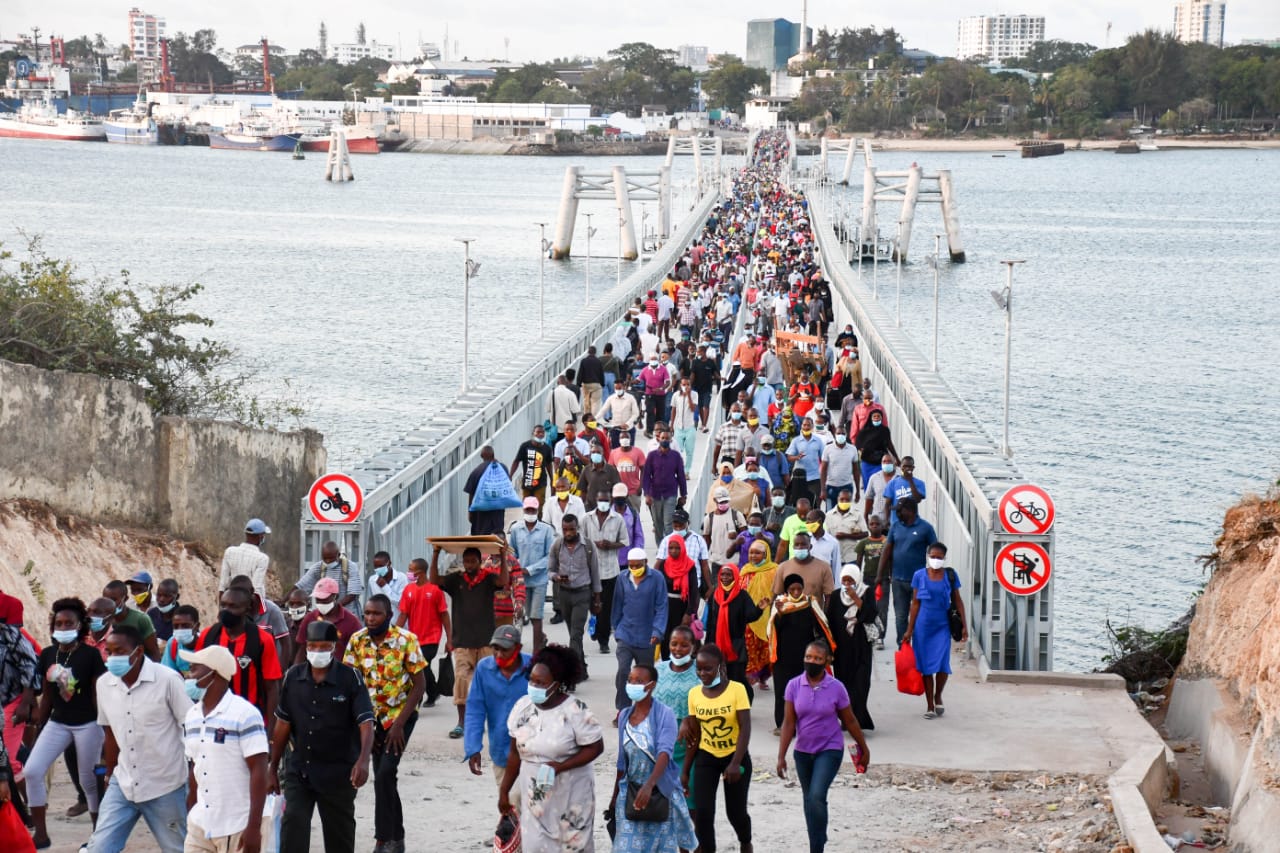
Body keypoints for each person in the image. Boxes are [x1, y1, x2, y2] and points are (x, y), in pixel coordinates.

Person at [269, 620, 375, 853]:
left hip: (339, 774)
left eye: (324, 647)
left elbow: (366, 722)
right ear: (306, 647)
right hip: (299, 770)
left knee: (340, 838)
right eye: (313, 646)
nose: (318, 652)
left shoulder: (351, 679)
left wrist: (363, 760)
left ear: (334, 648)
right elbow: (283, 725)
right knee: (293, 830)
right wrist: (272, 767)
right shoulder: (293, 677)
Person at [86, 624, 191, 853]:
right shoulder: (105, 684)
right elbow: (110, 732)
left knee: (178, 848)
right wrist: (110, 771)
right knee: (99, 848)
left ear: (139, 651)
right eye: (110, 652)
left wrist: (194, 778)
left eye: (120, 652)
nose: (113, 657)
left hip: (165, 784)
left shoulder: (168, 680)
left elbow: (190, 727)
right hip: (123, 782)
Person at [498, 644, 604, 853]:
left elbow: (595, 747)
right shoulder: (522, 707)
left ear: (557, 685)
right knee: (536, 845)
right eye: (532, 680)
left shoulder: (575, 710)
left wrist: (560, 766)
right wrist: (504, 790)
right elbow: (514, 754)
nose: (534, 686)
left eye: (541, 682)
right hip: (536, 794)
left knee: (571, 846)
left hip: (571, 794)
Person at [344, 594, 426, 853]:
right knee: (385, 777)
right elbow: (350, 682)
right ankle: (396, 837)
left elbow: (419, 685)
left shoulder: (406, 640)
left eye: (376, 614)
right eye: (367, 613)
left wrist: (399, 725)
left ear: (388, 615)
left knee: (384, 773)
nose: (370, 618)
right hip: (371, 719)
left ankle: (383, 839)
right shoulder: (357, 640)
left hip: (400, 716)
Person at [776, 639, 871, 853]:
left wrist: (863, 747)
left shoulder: (836, 688)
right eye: (809, 657)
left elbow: (850, 720)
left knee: (817, 796)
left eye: (818, 658)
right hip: (802, 752)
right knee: (810, 801)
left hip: (829, 749)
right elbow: (789, 722)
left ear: (827, 661)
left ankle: (816, 847)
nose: (812, 661)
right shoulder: (793, 685)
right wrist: (781, 756)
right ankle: (818, 837)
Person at [26, 598, 106, 848]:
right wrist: (39, 728)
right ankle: (40, 834)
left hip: (88, 724)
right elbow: (48, 695)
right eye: (58, 623)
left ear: (80, 625)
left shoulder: (90, 654)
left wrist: (105, 729)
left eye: (68, 623)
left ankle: (98, 835)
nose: (63, 627)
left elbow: (97, 693)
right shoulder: (49, 654)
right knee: (32, 771)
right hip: (58, 723)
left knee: (89, 780)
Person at [180, 645, 269, 853]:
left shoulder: (244, 714)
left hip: (236, 824)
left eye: (194, 670)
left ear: (215, 673)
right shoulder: (192, 715)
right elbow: (195, 764)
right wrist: (191, 807)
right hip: (200, 822)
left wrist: (253, 828)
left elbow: (259, 769)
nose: (189, 676)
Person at [608, 664, 698, 851]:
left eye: (639, 681)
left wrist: (649, 785)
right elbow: (621, 761)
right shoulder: (625, 715)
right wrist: (615, 796)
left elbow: (665, 752)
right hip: (630, 792)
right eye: (630, 680)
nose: (633, 684)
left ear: (651, 685)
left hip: (659, 792)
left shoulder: (665, 714)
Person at [430, 544, 508, 739]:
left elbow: (503, 580)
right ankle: (462, 722)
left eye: (473, 561)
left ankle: (490, 721)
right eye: (466, 561)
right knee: (462, 681)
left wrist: (503, 556)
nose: (469, 565)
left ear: (479, 562)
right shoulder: (456, 580)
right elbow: (434, 579)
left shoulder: (489, 578)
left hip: (486, 640)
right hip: (462, 641)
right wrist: (436, 553)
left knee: (488, 682)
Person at [681, 644, 753, 853]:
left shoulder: (737, 689)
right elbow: (695, 736)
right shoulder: (694, 694)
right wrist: (685, 770)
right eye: (699, 669)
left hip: (735, 757)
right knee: (703, 814)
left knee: (736, 813)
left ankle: (745, 841)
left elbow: (745, 728)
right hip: (707, 757)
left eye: (708, 669)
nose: (702, 673)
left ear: (721, 667)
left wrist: (735, 763)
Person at [465, 626, 531, 809]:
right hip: (502, 752)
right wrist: (473, 748)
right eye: (496, 648)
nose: (499, 654)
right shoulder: (484, 669)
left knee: (523, 802)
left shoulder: (533, 668)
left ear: (518, 647)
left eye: (505, 649)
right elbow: (475, 709)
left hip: (533, 752)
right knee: (511, 804)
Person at [197, 585, 283, 723]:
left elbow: (272, 688)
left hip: (248, 720)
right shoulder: (208, 635)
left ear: (247, 609)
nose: (226, 611)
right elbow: (199, 675)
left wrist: (270, 731)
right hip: (213, 718)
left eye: (233, 606)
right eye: (223, 605)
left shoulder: (262, 640)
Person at [904, 542, 968, 719]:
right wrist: (909, 630)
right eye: (933, 556)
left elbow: (958, 601)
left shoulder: (950, 575)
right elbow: (915, 604)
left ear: (944, 558)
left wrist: (964, 625)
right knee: (925, 667)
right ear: (927, 556)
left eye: (939, 557)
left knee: (942, 665)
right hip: (923, 626)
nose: (936, 560)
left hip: (942, 625)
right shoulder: (919, 575)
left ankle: (938, 694)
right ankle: (929, 705)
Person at [767, 574, 835, 730]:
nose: (796, 592)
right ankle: (783, 724)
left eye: (799, 589)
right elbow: (771, 631)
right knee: (783, 691)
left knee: (805, 692)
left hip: (806, 657)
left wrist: (828, 651)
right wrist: (779, 614)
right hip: (783, 657)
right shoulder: (780, 604)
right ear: (786, 589)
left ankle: (804, 723)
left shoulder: (810, 603)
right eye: (792, 589)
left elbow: (822, 626)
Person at [610, 549, 667, 712]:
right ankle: (623, 709)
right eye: (631, 566)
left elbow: (662, 607)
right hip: (625, 634)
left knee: (644, 676)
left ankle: (643, 708)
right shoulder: (622, 578)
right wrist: (616, 628)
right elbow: (617, 603)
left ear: (645, 563)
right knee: (623, 672)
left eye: (638, 565)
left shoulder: (657, 578)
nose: (634, 569)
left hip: (647, 637)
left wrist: (657, 632)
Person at [877, 497, 938, 646]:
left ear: (910, 511)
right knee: (900, 616)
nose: (897, 514)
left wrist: (934, 573)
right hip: (898, 580)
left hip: (918, 581)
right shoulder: (896, 527)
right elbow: (887, 551)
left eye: (899, 511)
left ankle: (919, 643)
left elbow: (935, 549)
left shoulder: (925, 528)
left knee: (919, 614)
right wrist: (880, 574)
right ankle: (902, 645)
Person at [824, 566, 879, 730]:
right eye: (844, 581)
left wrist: (856, 598)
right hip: (842, 649)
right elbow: (830, 621)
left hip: (861, 646)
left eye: (851, 581)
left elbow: (870, 614)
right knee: (844, 685)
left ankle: (859, 719)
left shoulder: (866, 592)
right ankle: (847, 719)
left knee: (861, 684)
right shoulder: (835, 596)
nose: (847, 584)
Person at [395, 557, 451, 707]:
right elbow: (403, 614)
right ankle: (432, 692)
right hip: (414, 638)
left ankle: (418, 698)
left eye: (411, 570)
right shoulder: (409, 590)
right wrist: (394, 634)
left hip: (432, 638)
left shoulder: (435, 590)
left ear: (420, 572)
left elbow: (444, 615)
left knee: (420, 666)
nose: (409, 572)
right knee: (421, 667)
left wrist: (449, 639)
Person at [703, 564, 763, 696]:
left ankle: (744, 705)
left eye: (728, 575)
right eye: (722, 574)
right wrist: (707, 646)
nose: (725, 577)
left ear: (735, 576)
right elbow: (711, 621)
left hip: (736, 645)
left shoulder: (742, 596)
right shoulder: (715, 595)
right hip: (716, 644)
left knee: (737, 679)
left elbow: (750, 616)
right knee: (718, 680)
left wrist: (759, 608)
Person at [583, 489, 628, 654]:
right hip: (590, 570)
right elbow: (580, 540)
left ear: (610, 502)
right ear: (596, 499)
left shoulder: (618, 519)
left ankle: (604, 640)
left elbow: (624, 541)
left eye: (606, 501)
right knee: (592, 603)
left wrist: (610, 544)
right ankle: (595, 626)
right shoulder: (586, 519)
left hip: (610, 570)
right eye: (600, 499)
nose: (603, 503)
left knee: (607, 606)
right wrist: (594, 544)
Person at [508, 499, 555, 651]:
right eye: (527, 510)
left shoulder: (546, 530)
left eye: (533, 510)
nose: (530, 513)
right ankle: (535, 640)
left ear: (538, 511)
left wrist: (530, 569)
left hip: (539, 580)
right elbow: (512, 552)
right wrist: (515, 568)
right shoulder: (515, 529)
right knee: (521, 615)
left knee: (536, 616)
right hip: (521, 581)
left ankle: (536, 653)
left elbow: (549, 556)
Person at [291, 577, 365, 666]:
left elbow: (360, 650)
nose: (320, 602)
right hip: (312, 672)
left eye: (324, 599)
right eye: (317, 599)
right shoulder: (310, 618)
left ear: (335, 596)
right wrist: (294, 672)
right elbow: (302, 649)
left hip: (340, 672)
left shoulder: (351, 621)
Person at [738, 541, 778, 690]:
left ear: (765, 554)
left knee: (765, 648)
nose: (753, 556)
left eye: (757, 553)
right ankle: (750, 676)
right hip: (748, 617)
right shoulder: (744, 570)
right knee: (749, 647)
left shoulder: (774, 570)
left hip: (767, 616)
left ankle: (763, 678)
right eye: (751, 552)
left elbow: (777, 592)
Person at [654, 536, 700, 659]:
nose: (673, 551)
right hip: (665, 608)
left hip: (682, 608)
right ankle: (666, 668)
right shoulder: (663, 565)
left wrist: (689, 613)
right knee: (666, 640)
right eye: (671, 548)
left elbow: (694, 592)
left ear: (683, 548)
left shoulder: (690, 566)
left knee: (681, 640)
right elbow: (657, 587)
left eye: (677, 548)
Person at [294, 541, 364, 617]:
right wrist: (283, 601)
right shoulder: (319, 567)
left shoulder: (350, 567)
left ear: (338, 555)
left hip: (348, 614)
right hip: (326, 614)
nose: (328, 561)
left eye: (331, 558)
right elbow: (300, 586)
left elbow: (352, 594)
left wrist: (334, 607)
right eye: (325, 558)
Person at [641, 425, 687, 538]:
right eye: (663, 438)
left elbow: (681, 476)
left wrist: (683, 494)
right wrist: (646, 494)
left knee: (668, 523)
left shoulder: (676, 456)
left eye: (667, 438)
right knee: (658, 524)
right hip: (654, 494)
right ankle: (660, 547)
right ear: (659, 439)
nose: (665, 440)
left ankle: (668, 549)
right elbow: (646, 475)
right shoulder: (652, 456)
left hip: (670, 493)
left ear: (671, 440)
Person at [101, 580, 160, 660]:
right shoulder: (104, 621)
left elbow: (154, 652)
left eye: (114, 600)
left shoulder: (141, 619)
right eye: (106, 600)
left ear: (125, 599)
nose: (110, 604)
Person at [853, 516, 888, 649]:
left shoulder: (887, 541)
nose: (874, 526)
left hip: (883, 579)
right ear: (868, 526)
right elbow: (859, 561)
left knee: (882, 608)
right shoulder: (863, 543)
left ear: (882, 525)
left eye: (877, 524)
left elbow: (891, 560)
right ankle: (870, 634)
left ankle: (880, 637)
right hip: (868, 578)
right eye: (871, 524)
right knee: (869, 607)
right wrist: (856, 578)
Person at [771, 531, 835, 603]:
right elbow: (776, 595)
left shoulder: (824, 567)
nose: (800, 547)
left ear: (810, 547)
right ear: (793, 547)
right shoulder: (783, 567)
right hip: (790, 612)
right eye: (797, 544)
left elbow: (829, 596)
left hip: (813, 613)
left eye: (803, 544)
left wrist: (824, 614)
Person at [465, 446, 510, 536]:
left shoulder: (475, 472)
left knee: (480, 540)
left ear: (481, 456)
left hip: (479, 517)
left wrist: (470, 512)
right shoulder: (502, 468)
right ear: (493, 455)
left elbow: (471, 494)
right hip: (497, 515)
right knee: (497, 539)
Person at [220, 518, 271, 595]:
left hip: (231, 596)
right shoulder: (262, 558)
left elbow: (223, 583)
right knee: (274, 607)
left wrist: (221, 605)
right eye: (264, 534)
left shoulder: (229, 551)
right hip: (248, 601)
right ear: (261, 536)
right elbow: (256, 588)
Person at [785, 417, 824, 507]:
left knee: (815, 502)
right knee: (799, 503)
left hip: (814, 477)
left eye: (808, 425)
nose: (806, 427)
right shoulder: (796, 441)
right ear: (801, 426)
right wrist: (797, 457)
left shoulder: (818, 441)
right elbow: (788, 457)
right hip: (799, 478)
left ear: (812, 426)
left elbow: (823, 458)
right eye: (804, 425)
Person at [511, 423, 554, 501]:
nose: (540, 434)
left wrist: (552, 479)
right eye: (538, 432)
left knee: (539, 505)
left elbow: (549, 464)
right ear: (533, 433)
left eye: (542, 432)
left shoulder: (547, 448)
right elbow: (516, 461)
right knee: (527, 506)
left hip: (541, 483)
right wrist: (510, 476)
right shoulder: (525, 446)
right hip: (527, 483)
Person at [367, 551, 411, 623]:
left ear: (389, 563)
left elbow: (401, 603)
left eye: (381, 566)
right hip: (380, 624)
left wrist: (385, 587)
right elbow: (371, 603)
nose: (378, 569)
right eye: (375, 566)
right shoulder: (372, 580)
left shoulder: (401, 578)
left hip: (398, 624)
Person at [159, 604, 200, 676]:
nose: (180, 630)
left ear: (196, 626)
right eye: (176, 626)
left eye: (185, 626)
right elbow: (167, 673)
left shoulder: (207, 643)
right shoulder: (173, 643)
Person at [885, 455, 927, 526]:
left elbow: (917, 500)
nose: (907, 468)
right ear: (901, 467)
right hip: (896, 523)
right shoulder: (892, 483)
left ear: (913, 468)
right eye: (905, 466)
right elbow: (887, 504)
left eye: (909, 466)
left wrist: (910, 480)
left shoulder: (919, 483)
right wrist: (887, 520)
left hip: (913, 523)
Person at [863, 455, 897, 530]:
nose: (886, 464)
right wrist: (865, 515)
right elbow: (869, 498)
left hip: (895, 520)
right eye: (884, 462)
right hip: (878, 520)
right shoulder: (874, 478)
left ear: (895, 463)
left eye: (889, 462)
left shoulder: (899, 479)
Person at [579, 345, 606, 415]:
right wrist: (602, 384)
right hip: (596, 384)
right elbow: (601, 374)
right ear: (595, 352)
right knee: (595, 403)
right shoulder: (598, 361)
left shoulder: (583, 361)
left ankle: (586, 418)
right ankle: (593, 419)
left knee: (586, 401)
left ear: (588, 352)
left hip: (586, 384)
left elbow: (580, 373)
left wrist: (578, 383)